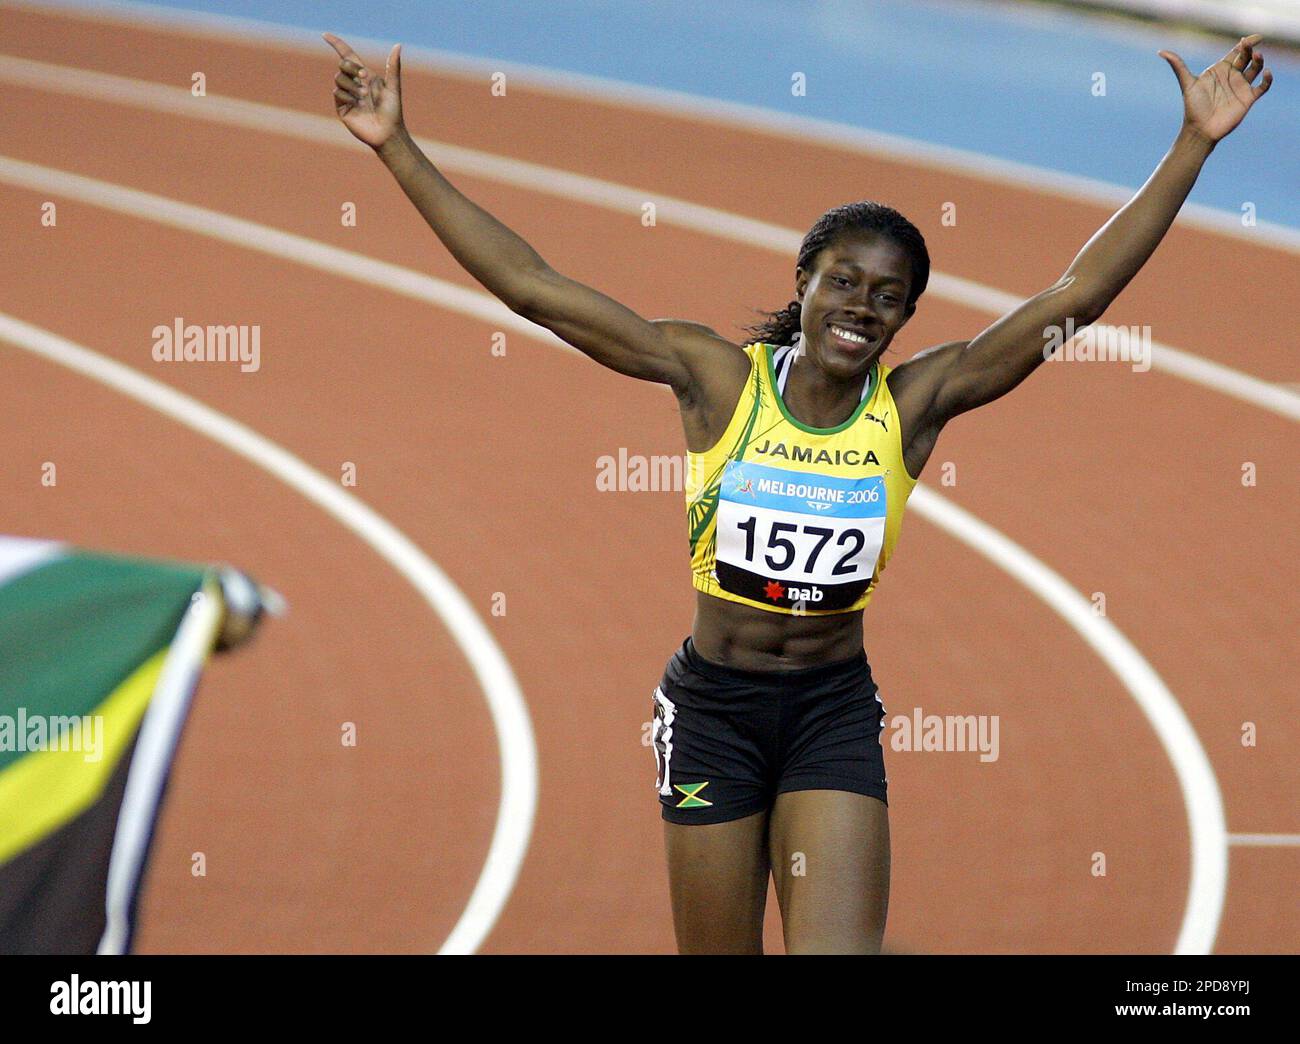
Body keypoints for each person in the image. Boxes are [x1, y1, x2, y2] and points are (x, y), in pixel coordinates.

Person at [324, 31, 1271, 954]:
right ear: (804, 285)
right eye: (842, 282)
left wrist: (1192, 145)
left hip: (829, 711)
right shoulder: (718, 381)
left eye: (886, 296)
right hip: (714, 716)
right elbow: (535, 288)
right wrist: (399, 149)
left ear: (905, 317)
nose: (860, 307)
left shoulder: (915, 404)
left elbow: (1074, 299)